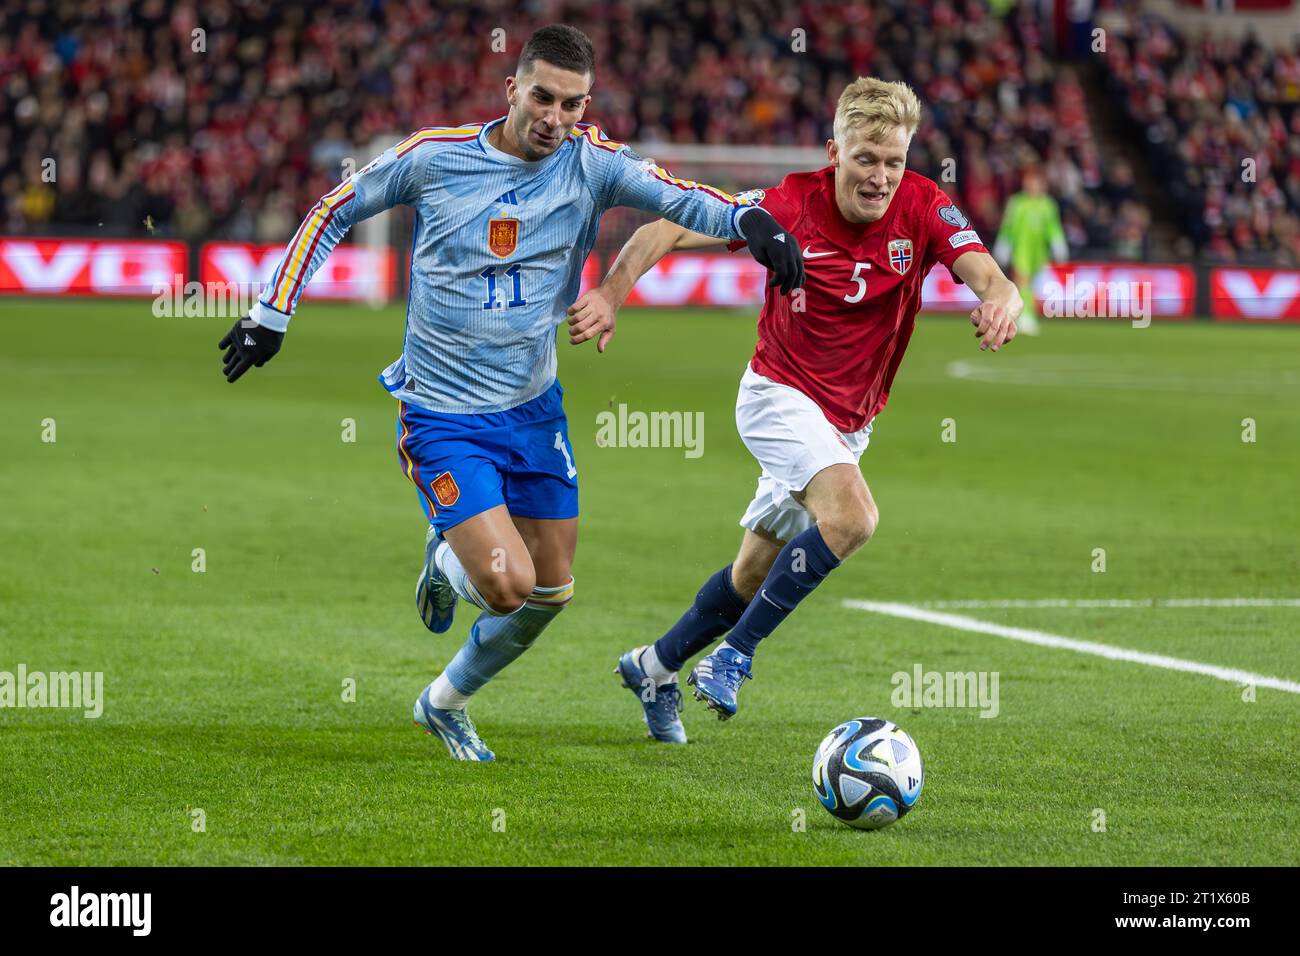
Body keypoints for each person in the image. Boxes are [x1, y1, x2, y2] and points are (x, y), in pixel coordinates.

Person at [217, 24, 803, 761]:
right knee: (506, 585)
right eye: (543, 97)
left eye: (572, 104)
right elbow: (334, 209)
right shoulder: (435, 159)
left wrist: (749, 219)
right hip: (442, 414)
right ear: (512, 90)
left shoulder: (591, 164)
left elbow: (683, 200)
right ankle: (444, 559)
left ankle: (444, 702)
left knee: (552, 593)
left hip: (533, 409)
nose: (554, 117)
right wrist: (272, 313)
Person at [567, 77, 1020, 743]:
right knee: (853, 517)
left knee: (752, 573)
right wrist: (612, 289)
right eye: (866, 159)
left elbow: (989, 273)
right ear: (835, 151)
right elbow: (665, 226)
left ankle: (655, 666)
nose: (880, 177)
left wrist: (1002, 297)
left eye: (893, 161)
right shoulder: (789, 204)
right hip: (778, 395)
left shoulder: (925, 205)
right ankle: (734, 657)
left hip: (847, 422)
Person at [992, 166, 1069, 335]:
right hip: (1021, 250)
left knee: (1031, 286)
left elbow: (1053, 227)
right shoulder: (1017, 203)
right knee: (1023, 282)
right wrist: (1003, 244)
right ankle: (1025, 316)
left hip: (1040, 253)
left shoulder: (1048, 205)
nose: (1033, 185)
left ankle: (1023, 313)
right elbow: (1008, 226)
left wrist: (1058, 243)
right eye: (1030, 182)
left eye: (1036, 182)